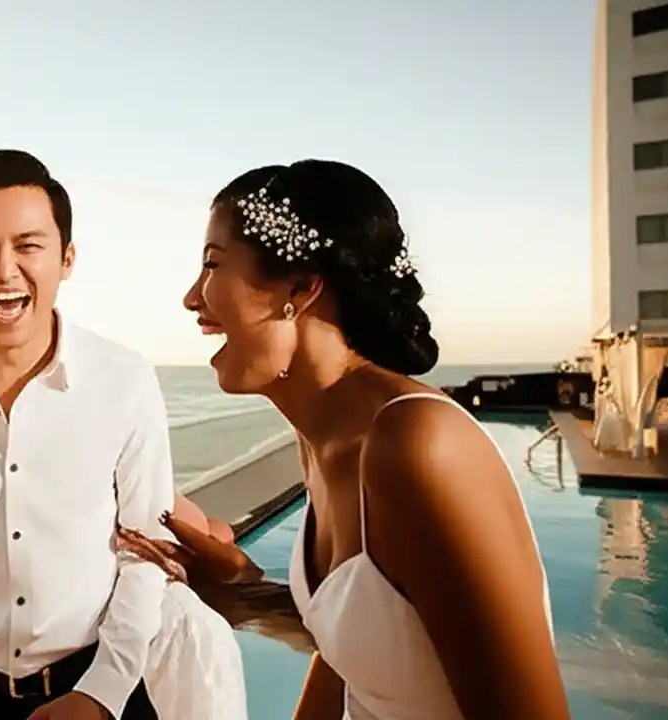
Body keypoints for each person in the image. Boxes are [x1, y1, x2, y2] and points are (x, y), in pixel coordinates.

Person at [172, 160, 570, 719]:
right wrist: (242, 596)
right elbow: (367, 651)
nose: (193, 298)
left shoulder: (419, 446)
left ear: (302, 287)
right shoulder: (320, 444)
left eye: (212, 264)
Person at [0, 149, 246, 720]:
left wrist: (103, 692)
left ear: (66, 259)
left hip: (97, 681)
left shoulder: (124, 378)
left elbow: (146, 552)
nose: (3, 269)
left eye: (28, 245)